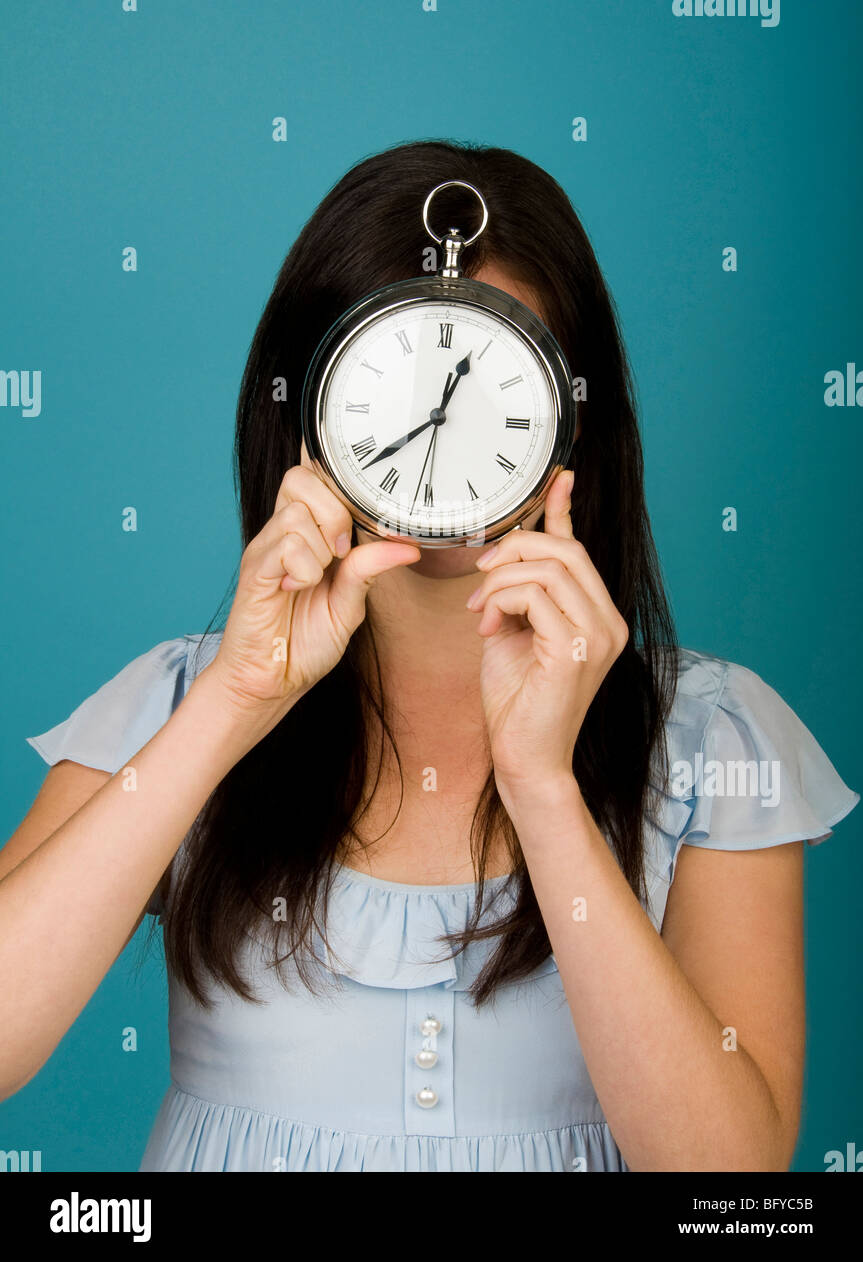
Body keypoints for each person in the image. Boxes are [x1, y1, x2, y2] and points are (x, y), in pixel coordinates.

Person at [3, 141, 858, 1172]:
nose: (439, 450)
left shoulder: (714, 736)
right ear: (312, 417)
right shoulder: (179, 704)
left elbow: (726, 1179)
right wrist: (234, 701)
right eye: (387, 389)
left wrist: (540, 784)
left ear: (570, 423)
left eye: (495, 394)